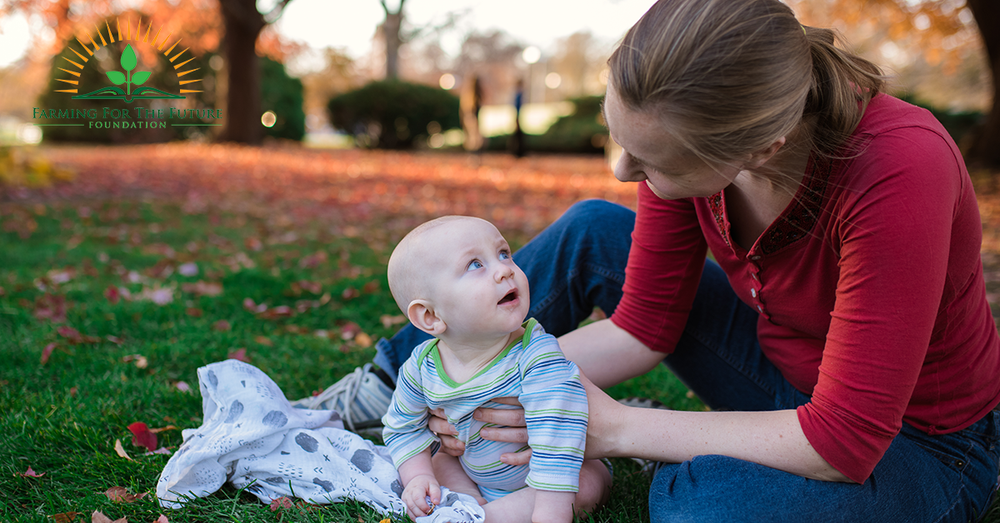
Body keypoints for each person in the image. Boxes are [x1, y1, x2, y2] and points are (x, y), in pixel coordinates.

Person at [299, 0, 1000, 520]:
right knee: (594, 229)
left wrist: (610, 428)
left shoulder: (900, 169)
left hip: (916, 443)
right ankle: (394, 385)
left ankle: (665, 448)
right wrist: (480, 394)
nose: (623, 169)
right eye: (620, 140)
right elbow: (643, 329)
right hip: (781, 375)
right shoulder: (687, 127)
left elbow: (845, 440)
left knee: (701, 506)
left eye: (650, 161)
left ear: (761, 148)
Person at [380, 216, 610, 523]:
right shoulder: (421, 368)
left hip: (542, 481)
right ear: (430, 316)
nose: (505, 270)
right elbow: (402, 428)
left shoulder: (535, 354)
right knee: (439, 461)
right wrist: (418, 477)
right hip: (470, 470)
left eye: (504, 254)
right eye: (475, 264)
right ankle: (468, 500)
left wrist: (550, 513)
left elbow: (559, 434)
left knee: (587, 482)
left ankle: (485, 516)